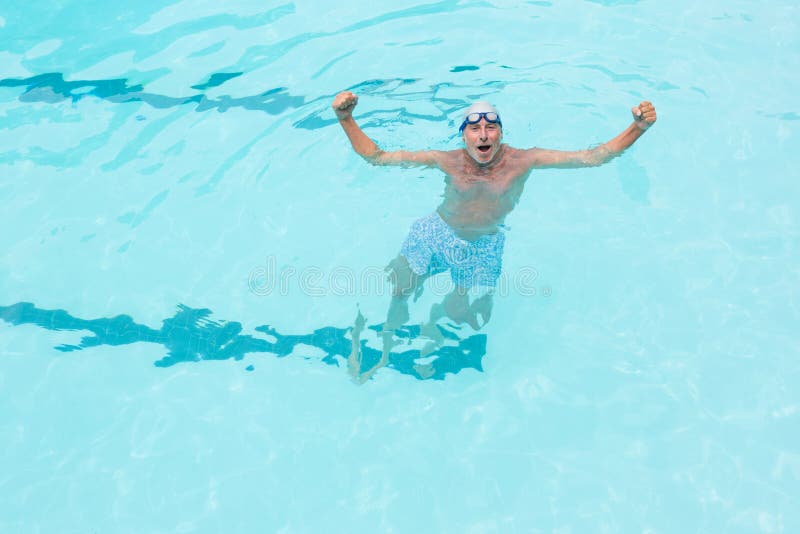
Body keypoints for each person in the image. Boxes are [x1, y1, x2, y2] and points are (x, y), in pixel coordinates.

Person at [333, 90, 656, 381]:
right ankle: (387, 339)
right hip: (435, 233)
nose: (484, 134)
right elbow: (377, 157)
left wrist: (637, 129)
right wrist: (346, 119)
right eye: (475, 128)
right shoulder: (446, 160)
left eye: (491, 128)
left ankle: (434, 324)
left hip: (483, 245)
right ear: (464, 136)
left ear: (501, 133)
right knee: (400, 289)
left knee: (459, 313)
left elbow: (592, 158)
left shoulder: (524, 160)